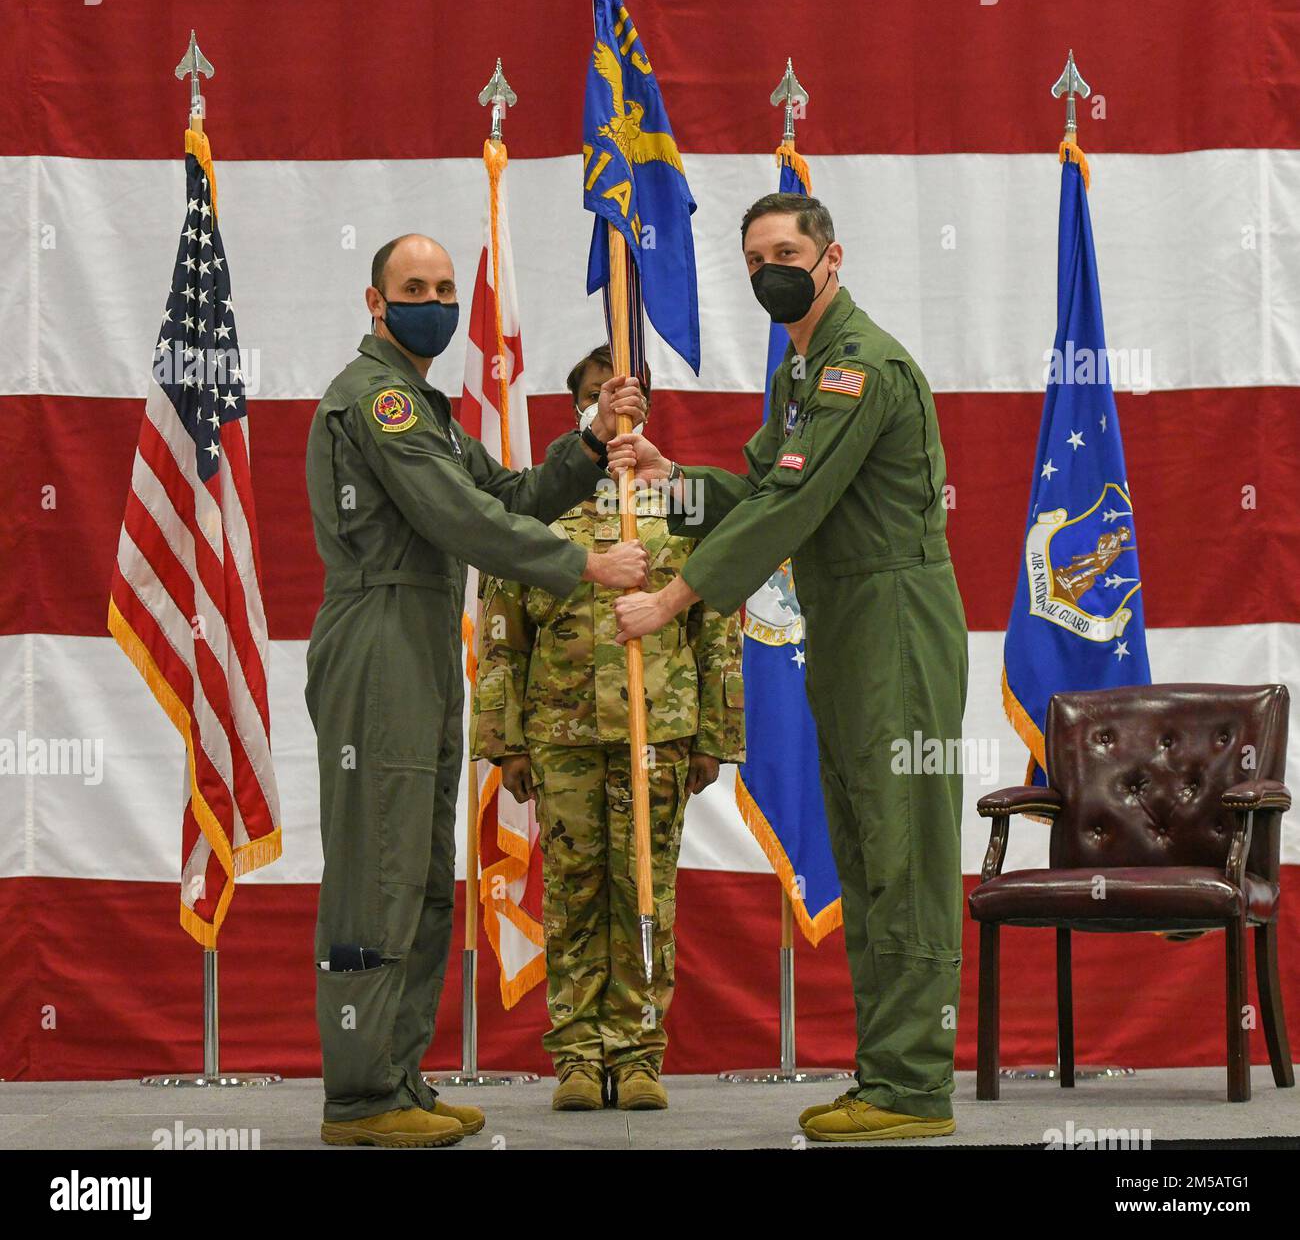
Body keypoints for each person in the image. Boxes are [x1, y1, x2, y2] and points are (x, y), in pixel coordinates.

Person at [610, 193, 969, 1142]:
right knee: (861, 845)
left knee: (905, 850)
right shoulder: (800, 375)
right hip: (845, 619)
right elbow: (758, 491)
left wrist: (675, 599)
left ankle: (915, 1085)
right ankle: (885, 1073)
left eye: (786, 252)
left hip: (894, 617)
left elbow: (785, 512)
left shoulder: (861, 368)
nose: (771, 268)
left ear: (830, 258)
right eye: (756, 255)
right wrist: (666, 474)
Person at [305, 234, 648, 1147]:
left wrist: (590, 437)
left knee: (417, 870)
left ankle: (397, 1075)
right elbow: (462, 518)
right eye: (415, 287)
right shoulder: (377, 400)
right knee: (377, 866)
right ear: (374, 302)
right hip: (379, 631)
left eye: (446, 287)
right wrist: (588, 565)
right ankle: (359, 1095)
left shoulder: (430, 408)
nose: (436, 301)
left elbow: (511, 491)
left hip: (418, 634)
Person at [469, 346, 745, 1112]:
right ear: (576, 410)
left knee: (646, 889)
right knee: (573, 892)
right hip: (562, 734)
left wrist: (714, 736)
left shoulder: (678, 500)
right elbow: (501, 630)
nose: (612, 411)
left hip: (657, 729)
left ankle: (639, 1050)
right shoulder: (543, 506)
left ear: (647, 411)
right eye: (597, 399)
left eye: (626, 399)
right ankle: (579, 1059)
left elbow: (718, 616)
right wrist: (507, 741)